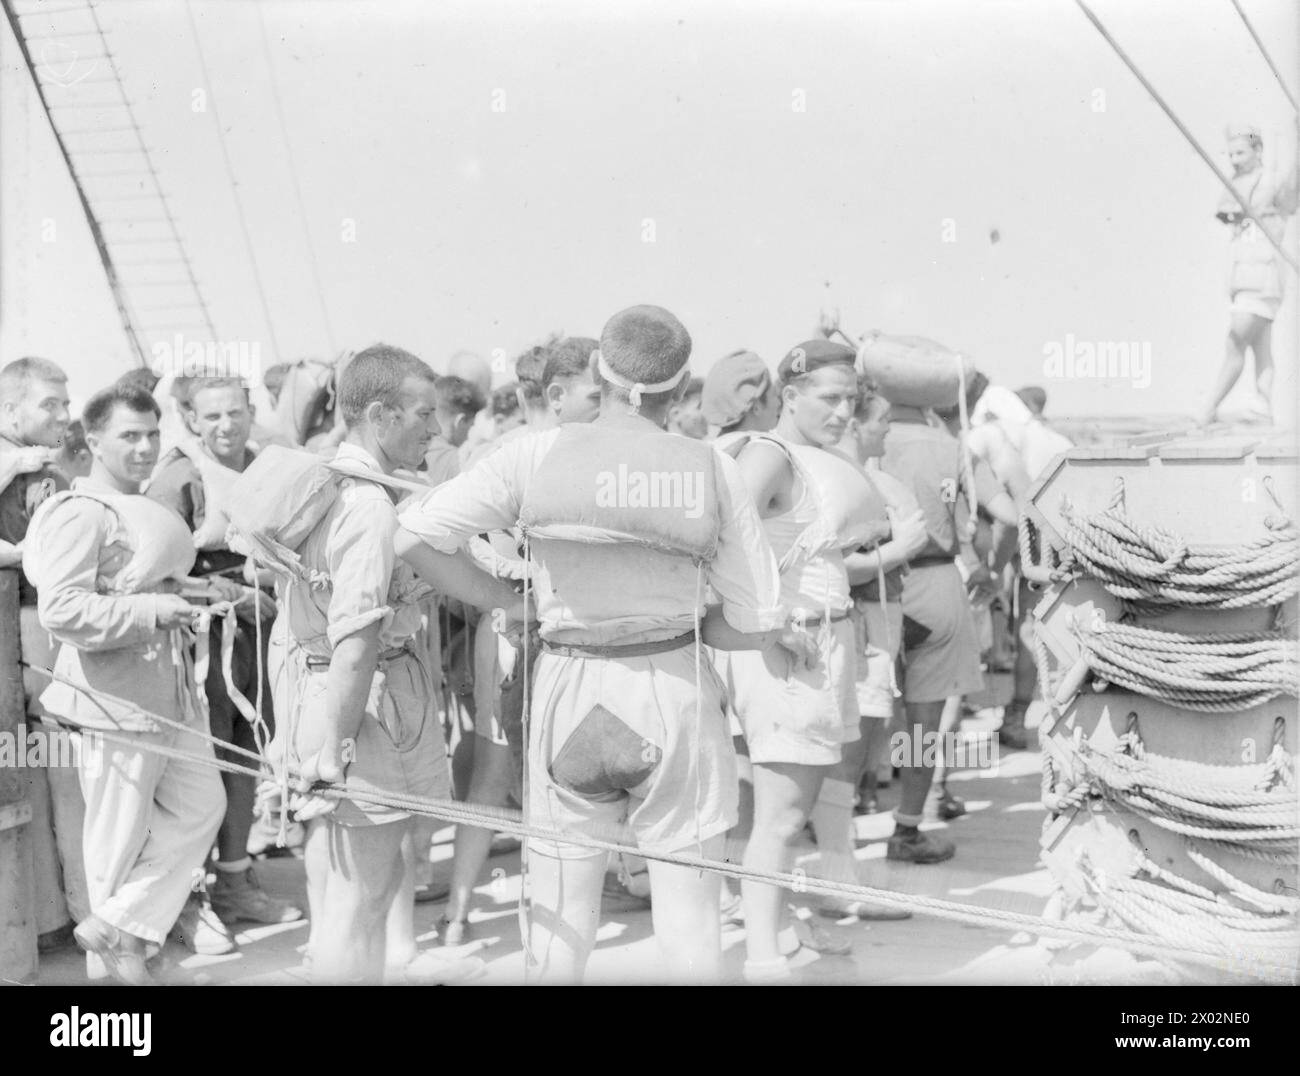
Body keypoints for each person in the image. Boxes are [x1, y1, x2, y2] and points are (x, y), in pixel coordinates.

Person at [396, 305, 784, 983]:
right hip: (673, 687)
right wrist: (688, 621)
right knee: (690, 924)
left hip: (568, 687)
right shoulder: (711, 469)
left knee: (560, 916)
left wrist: (504, 601)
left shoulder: (534, 454)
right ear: (681, 383)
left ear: (601, 372)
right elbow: (756, 622)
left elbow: (411, 537)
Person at [268, 344, 501, 984]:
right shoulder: (367, 504)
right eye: (423, 414)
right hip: (358, 703)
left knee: (362, 877)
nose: (435, 427)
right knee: (362, 891)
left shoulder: (333, 481)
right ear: (378, 413)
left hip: (320, 689)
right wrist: (334, 747)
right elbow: (355, 643)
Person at [24, 383, 227, 985]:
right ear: (93, 443)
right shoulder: (81, 512)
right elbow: (61, 610)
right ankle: (115, 977)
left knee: (201, 808)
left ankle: (115, 924)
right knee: (116, 840)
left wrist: (186, 594)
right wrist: (149, 613)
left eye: (151, 435)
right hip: (112, 700)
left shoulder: (133, 511)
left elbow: (132, 584)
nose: (143, 449)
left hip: (168, 697)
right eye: (128, 436)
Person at [716, 339, 892, 981]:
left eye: (853, 399)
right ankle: (763, 960)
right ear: (788, 397)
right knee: (783, 816)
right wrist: (770, 623)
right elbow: (720, 531)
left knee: (770, 810)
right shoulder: (769, 452)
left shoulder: (810, 458)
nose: (845, 411)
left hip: (822, 642)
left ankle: (778, 930)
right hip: (794, 652)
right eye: (830, 398)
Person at [147, 377, 303, 948]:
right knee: (202, 768)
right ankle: (191, 902)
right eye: (211, 417)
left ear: (251, 412)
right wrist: (228, 591)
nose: (225, 426)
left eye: (234, 414)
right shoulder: (177, 478)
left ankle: (237, 885)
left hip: (262, 635)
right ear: (192, 420)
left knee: (246, 753)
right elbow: (154, 571)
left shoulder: (268, 468)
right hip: (204, 639)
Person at [880, 384, 1016, 864]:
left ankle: (835, 825)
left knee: (864, 713)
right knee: (923, 722)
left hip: (873, 583)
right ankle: (908, 828)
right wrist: (992, 570)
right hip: (937, 582)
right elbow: (1009, 516)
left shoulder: (867, 438)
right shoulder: (950, 447)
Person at [812, 379, 927, 919]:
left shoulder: (870, 478)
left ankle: (839, 872)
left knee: (863, 744)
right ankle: (838, 879)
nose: (886, 427)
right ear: (856, 423)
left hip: (880, 616)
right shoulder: (843, 478)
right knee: (848, 750)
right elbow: (829, 560)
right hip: (859, 619)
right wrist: (896, 542)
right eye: (878, 419)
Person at [0, 357, 87, 955]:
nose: (63, 414)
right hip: (30, 630)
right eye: (48, 405)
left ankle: (54, 920)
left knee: (50, 773)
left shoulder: (45, 465)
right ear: (11, 410)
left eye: (64, 402)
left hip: (38, 629)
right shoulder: (26, 468)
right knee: (59, 774)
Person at [1201, 122, 1299, 427]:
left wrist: (1296, 139)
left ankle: (1209, 408)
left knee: (1235, 342)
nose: (1233, 159)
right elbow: (1226, 212)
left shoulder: (1268, 182)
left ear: (1258, 151)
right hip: (1248, 277)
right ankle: (1263, 407)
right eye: (1230, 153)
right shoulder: (1239, 183)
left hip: (1261, 277)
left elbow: (1292, 190)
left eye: (1240, 152)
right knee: (1261, 347)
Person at [424, 375, 487, 486]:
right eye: (471, 425)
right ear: (460, 421)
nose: (468, 435)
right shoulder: (458, 463)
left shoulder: (411, 450)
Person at [703, 349, 780, 439]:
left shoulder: (711, 448)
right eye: (774, 394)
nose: (779, 403)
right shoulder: (763, 450)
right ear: (757, 407)